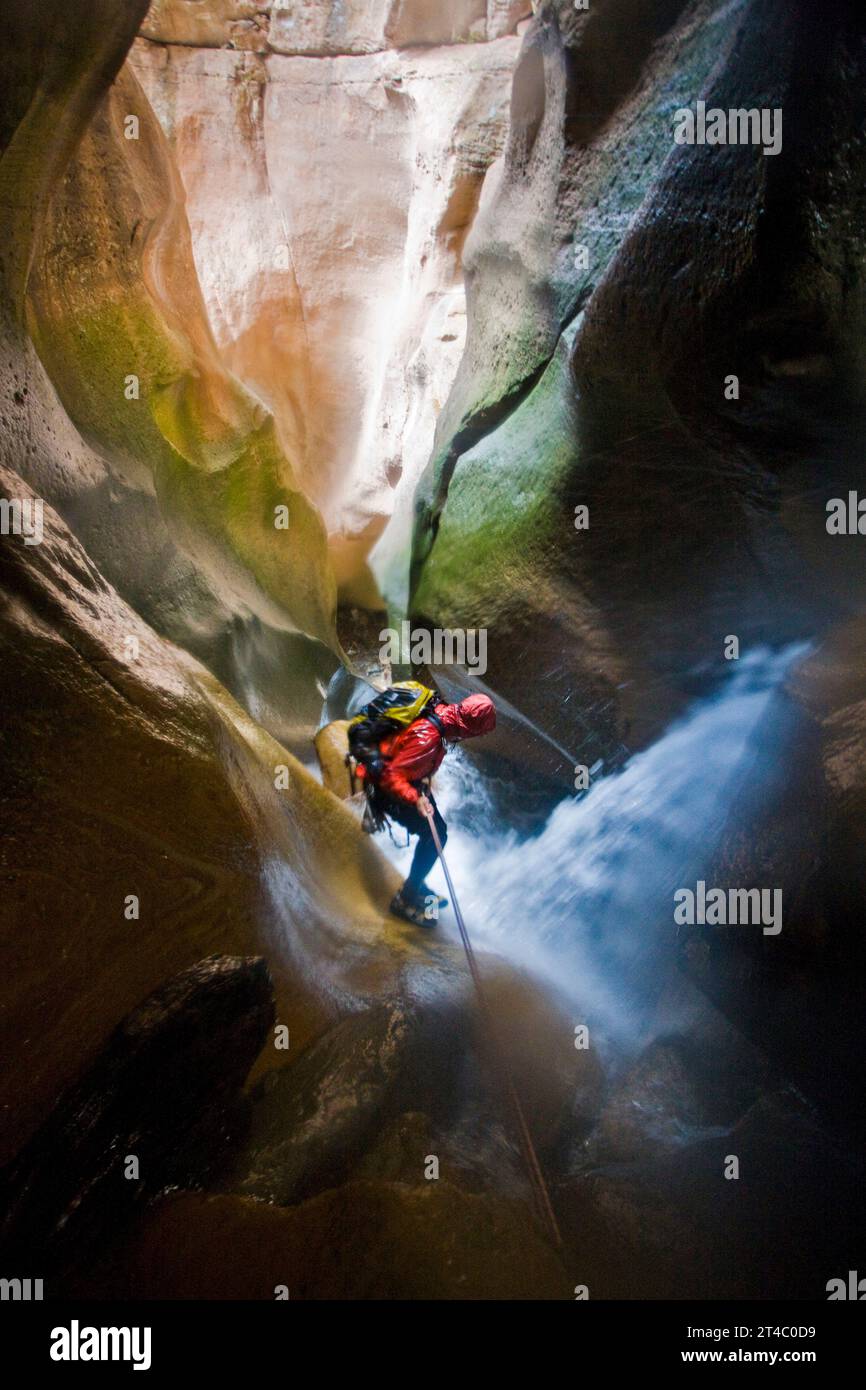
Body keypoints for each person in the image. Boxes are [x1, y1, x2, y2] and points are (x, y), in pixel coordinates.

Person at [375, 692, 496, 926]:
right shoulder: (428, 736)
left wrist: (422, 780)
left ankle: (416, 884)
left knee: (438, 831)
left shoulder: (443, 718)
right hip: (385, 790)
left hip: (410, 783)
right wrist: (415, 798)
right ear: (468, 728)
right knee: (435, 834)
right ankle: (404, 899)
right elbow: (390, 775)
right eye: (478, 732)